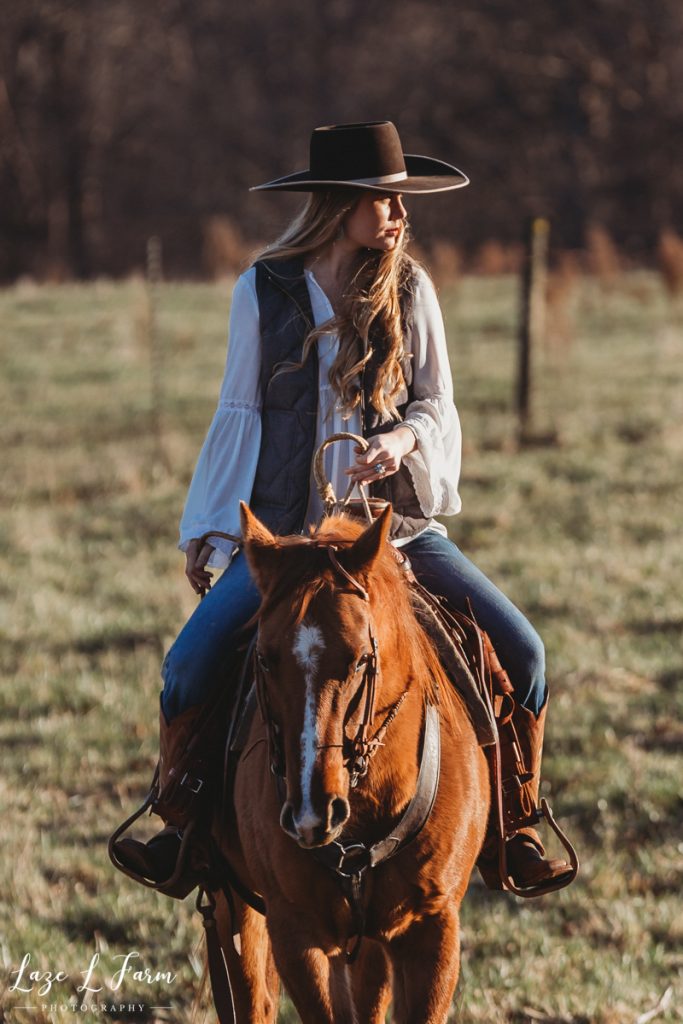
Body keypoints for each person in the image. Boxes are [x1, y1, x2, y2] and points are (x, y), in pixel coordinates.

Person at [113, 121, 573, 892]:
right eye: (381, 199)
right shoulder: (262, 289)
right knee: (188, 669)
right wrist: (212, 527)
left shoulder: (410, 288)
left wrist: (398, 446)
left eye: (399, 201)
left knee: (522, 654)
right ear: (337, 204)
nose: (396, 215)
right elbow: (239, 411)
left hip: (390, 538)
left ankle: (513, 828)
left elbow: (436, 404)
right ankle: (181, 827)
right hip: (287, 541)